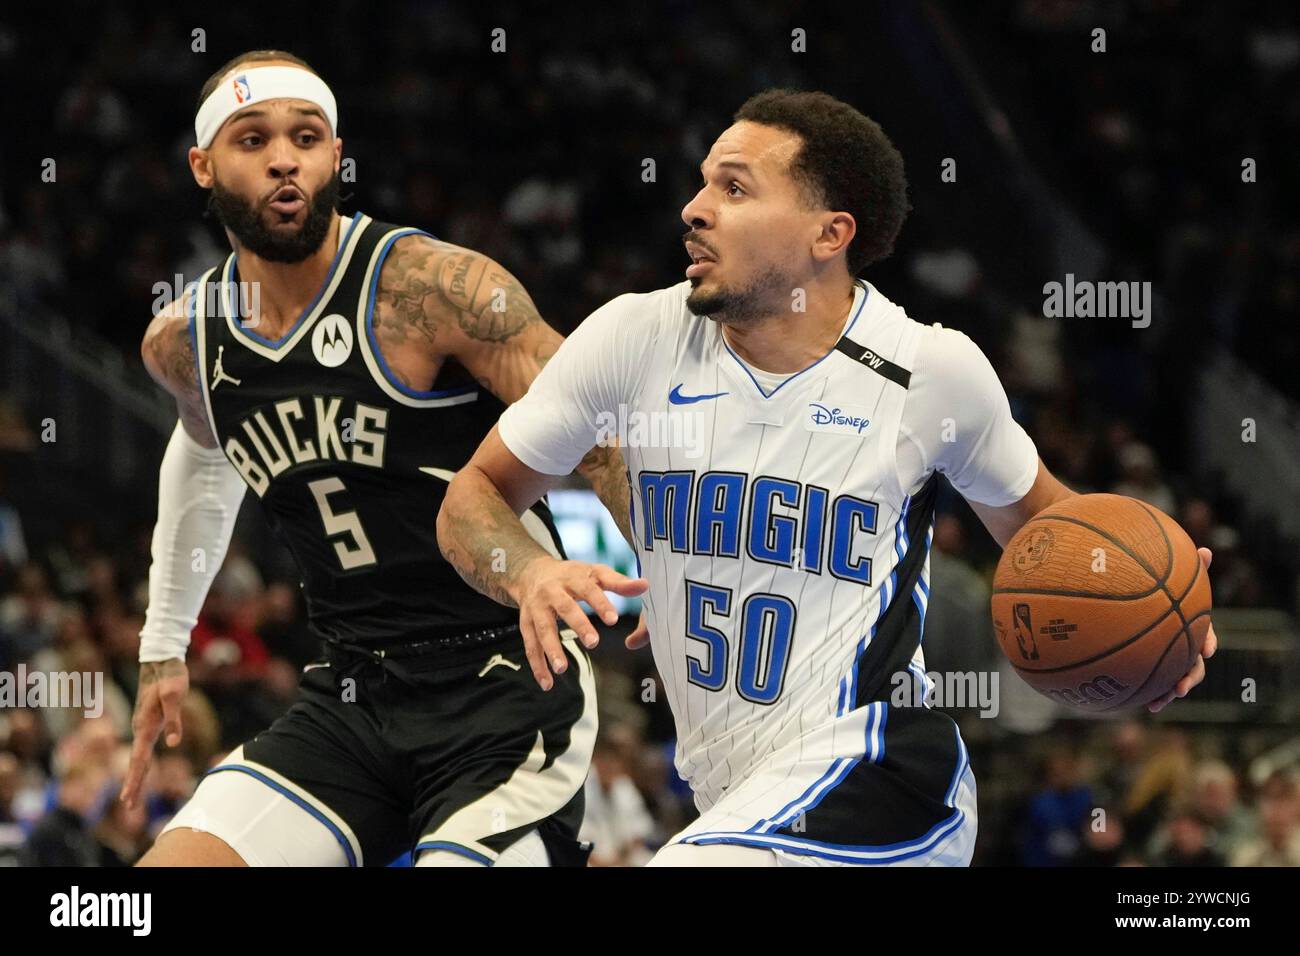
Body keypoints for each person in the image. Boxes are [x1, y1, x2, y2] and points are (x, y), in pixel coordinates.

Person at [438, 89, 1216, 866]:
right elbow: (472, 495)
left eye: (734, 188)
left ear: (829, 232)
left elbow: (1058, 537)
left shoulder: (928, 371)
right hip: (735, 798)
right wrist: (528, 570)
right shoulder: (632, 337)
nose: (695, 208)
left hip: (882, 782)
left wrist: (1166, 601)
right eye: (705, 182)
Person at [123, 50, 634, 868]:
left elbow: (598, 423)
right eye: (252, 139)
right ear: (203, 166)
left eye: (307, 135)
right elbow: (201, 449)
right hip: (352, 692)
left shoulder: (436, 289)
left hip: (507, 677)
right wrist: (163, 642)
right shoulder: (183, 342)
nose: (284, 157)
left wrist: (685, 585)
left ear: (335, 155)